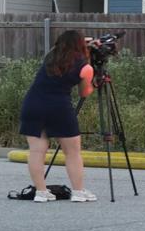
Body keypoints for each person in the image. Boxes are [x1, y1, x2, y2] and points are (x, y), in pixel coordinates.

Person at [15, 30, 96, 202]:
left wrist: (85, 42)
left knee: (37, 151)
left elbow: (63, 47)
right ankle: (78, 192)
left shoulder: (51, 57)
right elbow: (84, 92)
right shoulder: (86, 67)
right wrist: (94, 84)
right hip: (59, 107)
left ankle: (41, 192)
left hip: (33, 104)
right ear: (81, 46)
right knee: (72, 152)